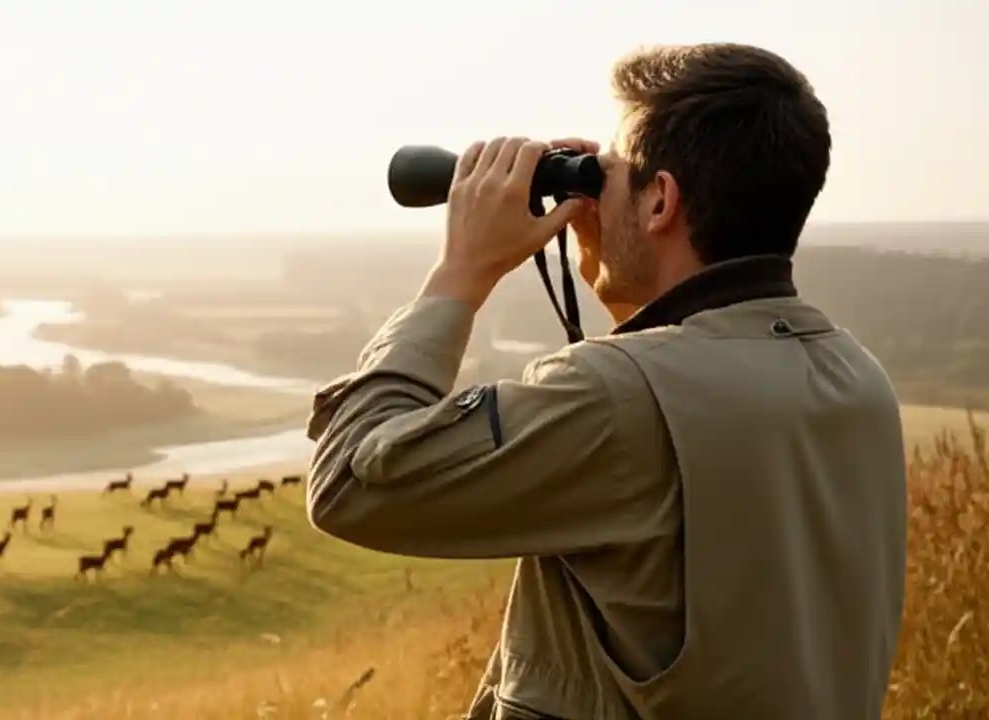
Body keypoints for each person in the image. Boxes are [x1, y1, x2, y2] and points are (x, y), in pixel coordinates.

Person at [303, 42, 907, 720]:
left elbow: (350, 484)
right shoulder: (857, 378)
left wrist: (460, 272)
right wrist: (627, 287)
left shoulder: (620, 398)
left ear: (660, 202)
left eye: (609, 173)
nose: (592, 190)